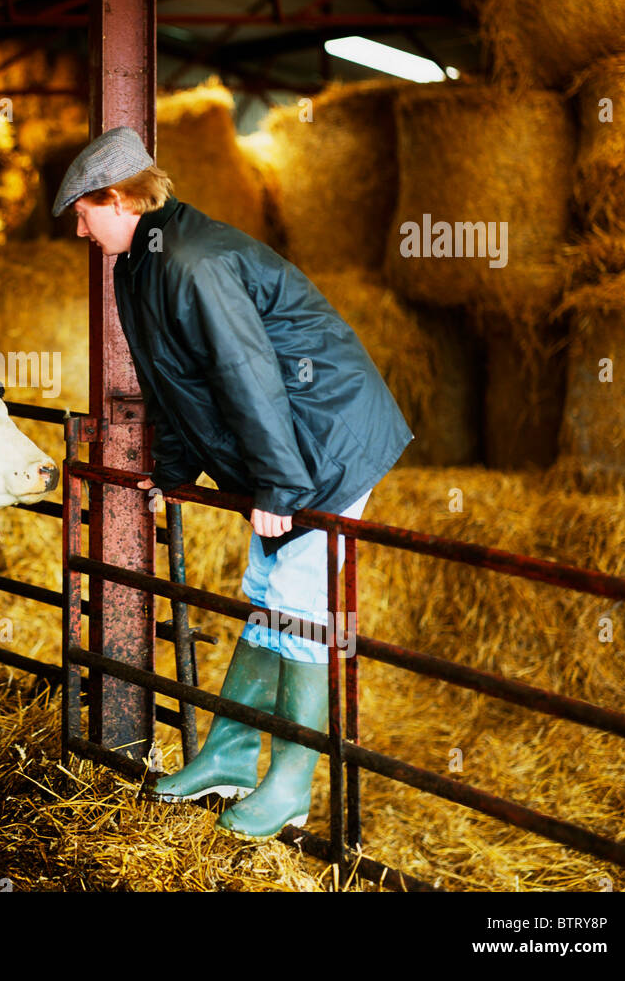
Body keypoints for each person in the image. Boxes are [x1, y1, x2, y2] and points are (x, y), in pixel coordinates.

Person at [51, 126, 413, 839]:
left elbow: (248, 375)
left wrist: (279, 488)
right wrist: (174, 474)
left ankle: (290, 786)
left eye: (84, 212)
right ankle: (229, 752)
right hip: (291, 446)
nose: (79, 228)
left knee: (301, 605)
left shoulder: (191, 262)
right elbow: (177, 381)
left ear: (119, 199)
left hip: (325, 437)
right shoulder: (138, 266)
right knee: (269, 596)